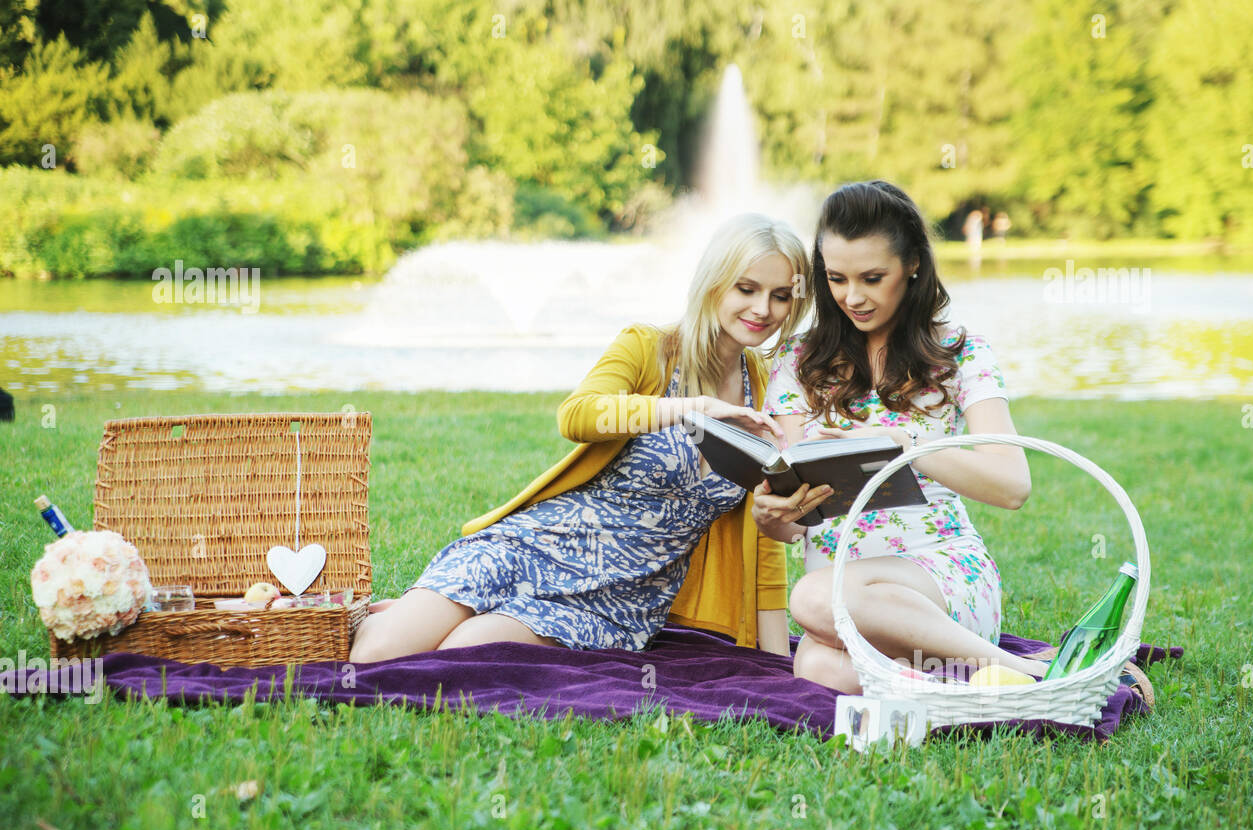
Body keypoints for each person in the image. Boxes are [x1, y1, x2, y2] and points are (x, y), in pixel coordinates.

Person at [350, 213, 813, 663]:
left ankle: (422, 614)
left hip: (621, 601)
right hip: (537, 545)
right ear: (715, 282)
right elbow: (577, 415)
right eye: (746, 289)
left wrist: (774, 663)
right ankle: (379, 614)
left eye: (779, 296)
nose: (762, 309)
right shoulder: (648, 348)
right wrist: (692, 409)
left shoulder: (767, 387)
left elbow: (764, 526)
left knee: (458, 655)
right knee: (375, 653)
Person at [751, 180, 1044, 692]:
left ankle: (1024, 672)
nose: (853, 297)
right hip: (843, 600)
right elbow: (795, 522)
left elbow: (1012, 484)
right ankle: (978, 681)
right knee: (818, 667)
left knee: (813, 598)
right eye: (837, 279)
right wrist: (773, 518)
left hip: (938, 575)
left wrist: (908, 449)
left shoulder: (959, 352)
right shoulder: (797, 362)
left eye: (872, 277)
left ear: (912, 265)